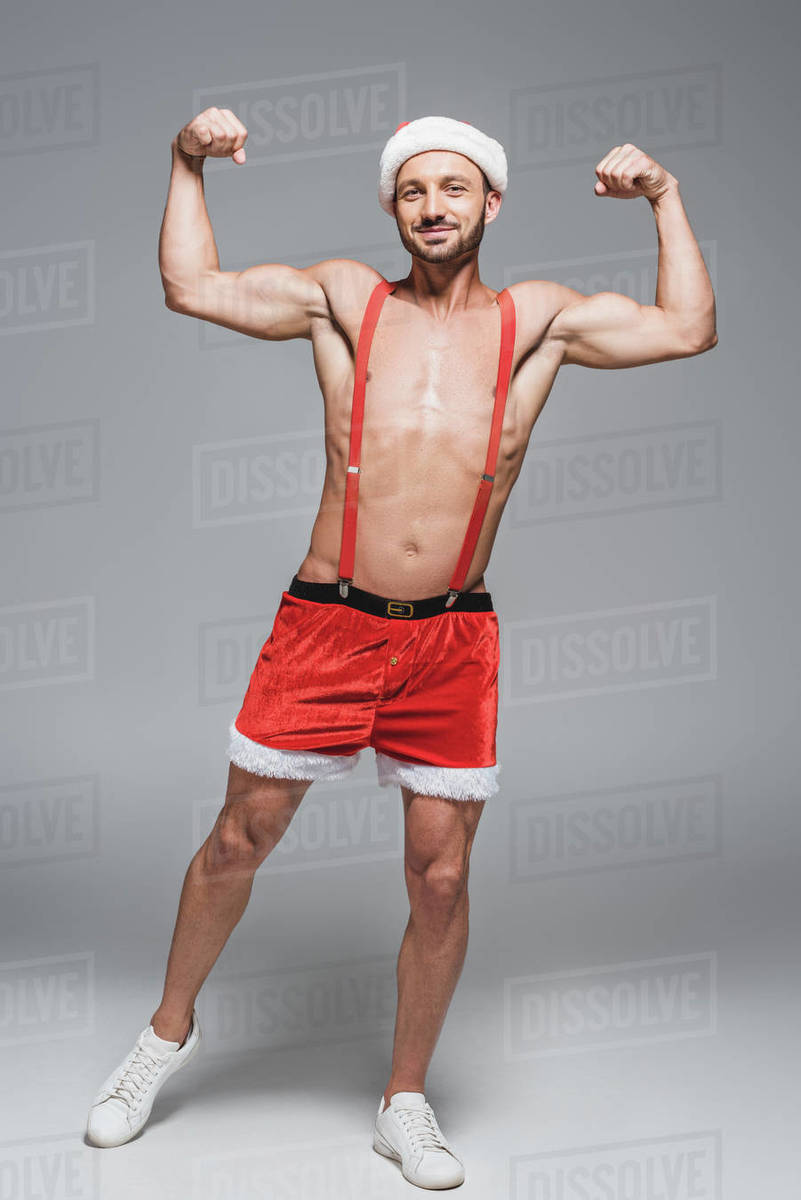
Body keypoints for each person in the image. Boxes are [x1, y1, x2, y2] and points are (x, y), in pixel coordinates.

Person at [85, 111, 717, 1187]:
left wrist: (664, 196)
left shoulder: (536, 321)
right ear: (393, 207)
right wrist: (187, 162)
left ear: (492, 204)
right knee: (238, 839)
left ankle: (404, 1101)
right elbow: (191, 286)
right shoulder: (346, 301)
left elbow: (687, 328)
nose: (433, 207)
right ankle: (165, 1036)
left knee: (441, 876)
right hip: (327, 624)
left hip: (453, 638)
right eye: (414, 190)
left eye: (454, 188)